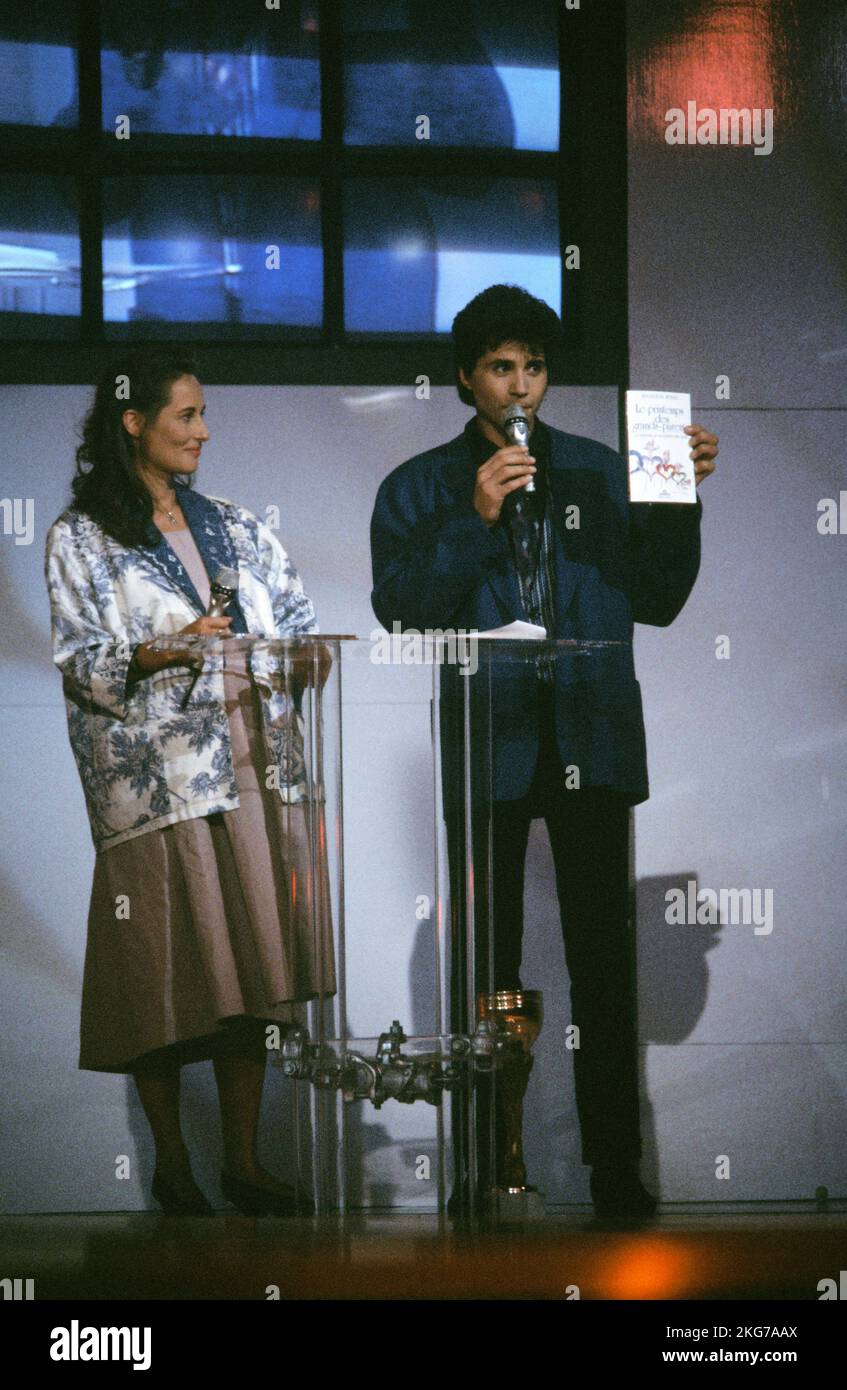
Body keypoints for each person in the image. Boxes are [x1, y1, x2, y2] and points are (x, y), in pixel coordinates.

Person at [370, 284, 718, 1220]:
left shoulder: (603, 471)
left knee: (604, 970)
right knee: (485, 970)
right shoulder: (419, 484)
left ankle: (614, 1174)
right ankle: (484, 1167)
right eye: (499, 366)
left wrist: (676, 496)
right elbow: (400, 615)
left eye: (532, 365)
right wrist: (471, 522)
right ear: (464, 379)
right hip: (492, 739)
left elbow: (657, 596)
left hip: (591, 735)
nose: (519, 383)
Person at [44, 349, 334, 1217]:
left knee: (249, 966)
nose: (203, 431)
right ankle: (173, 1161)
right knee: (161, 974)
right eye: (186, 417)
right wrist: (164, 645)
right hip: (156, 784)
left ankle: (242, 1161)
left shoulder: (237, 526)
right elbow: (77, 659)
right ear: (132, 421)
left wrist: (303, 656)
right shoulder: (80, 537)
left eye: (205, 416)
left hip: (249, 771)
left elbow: (302, 626)